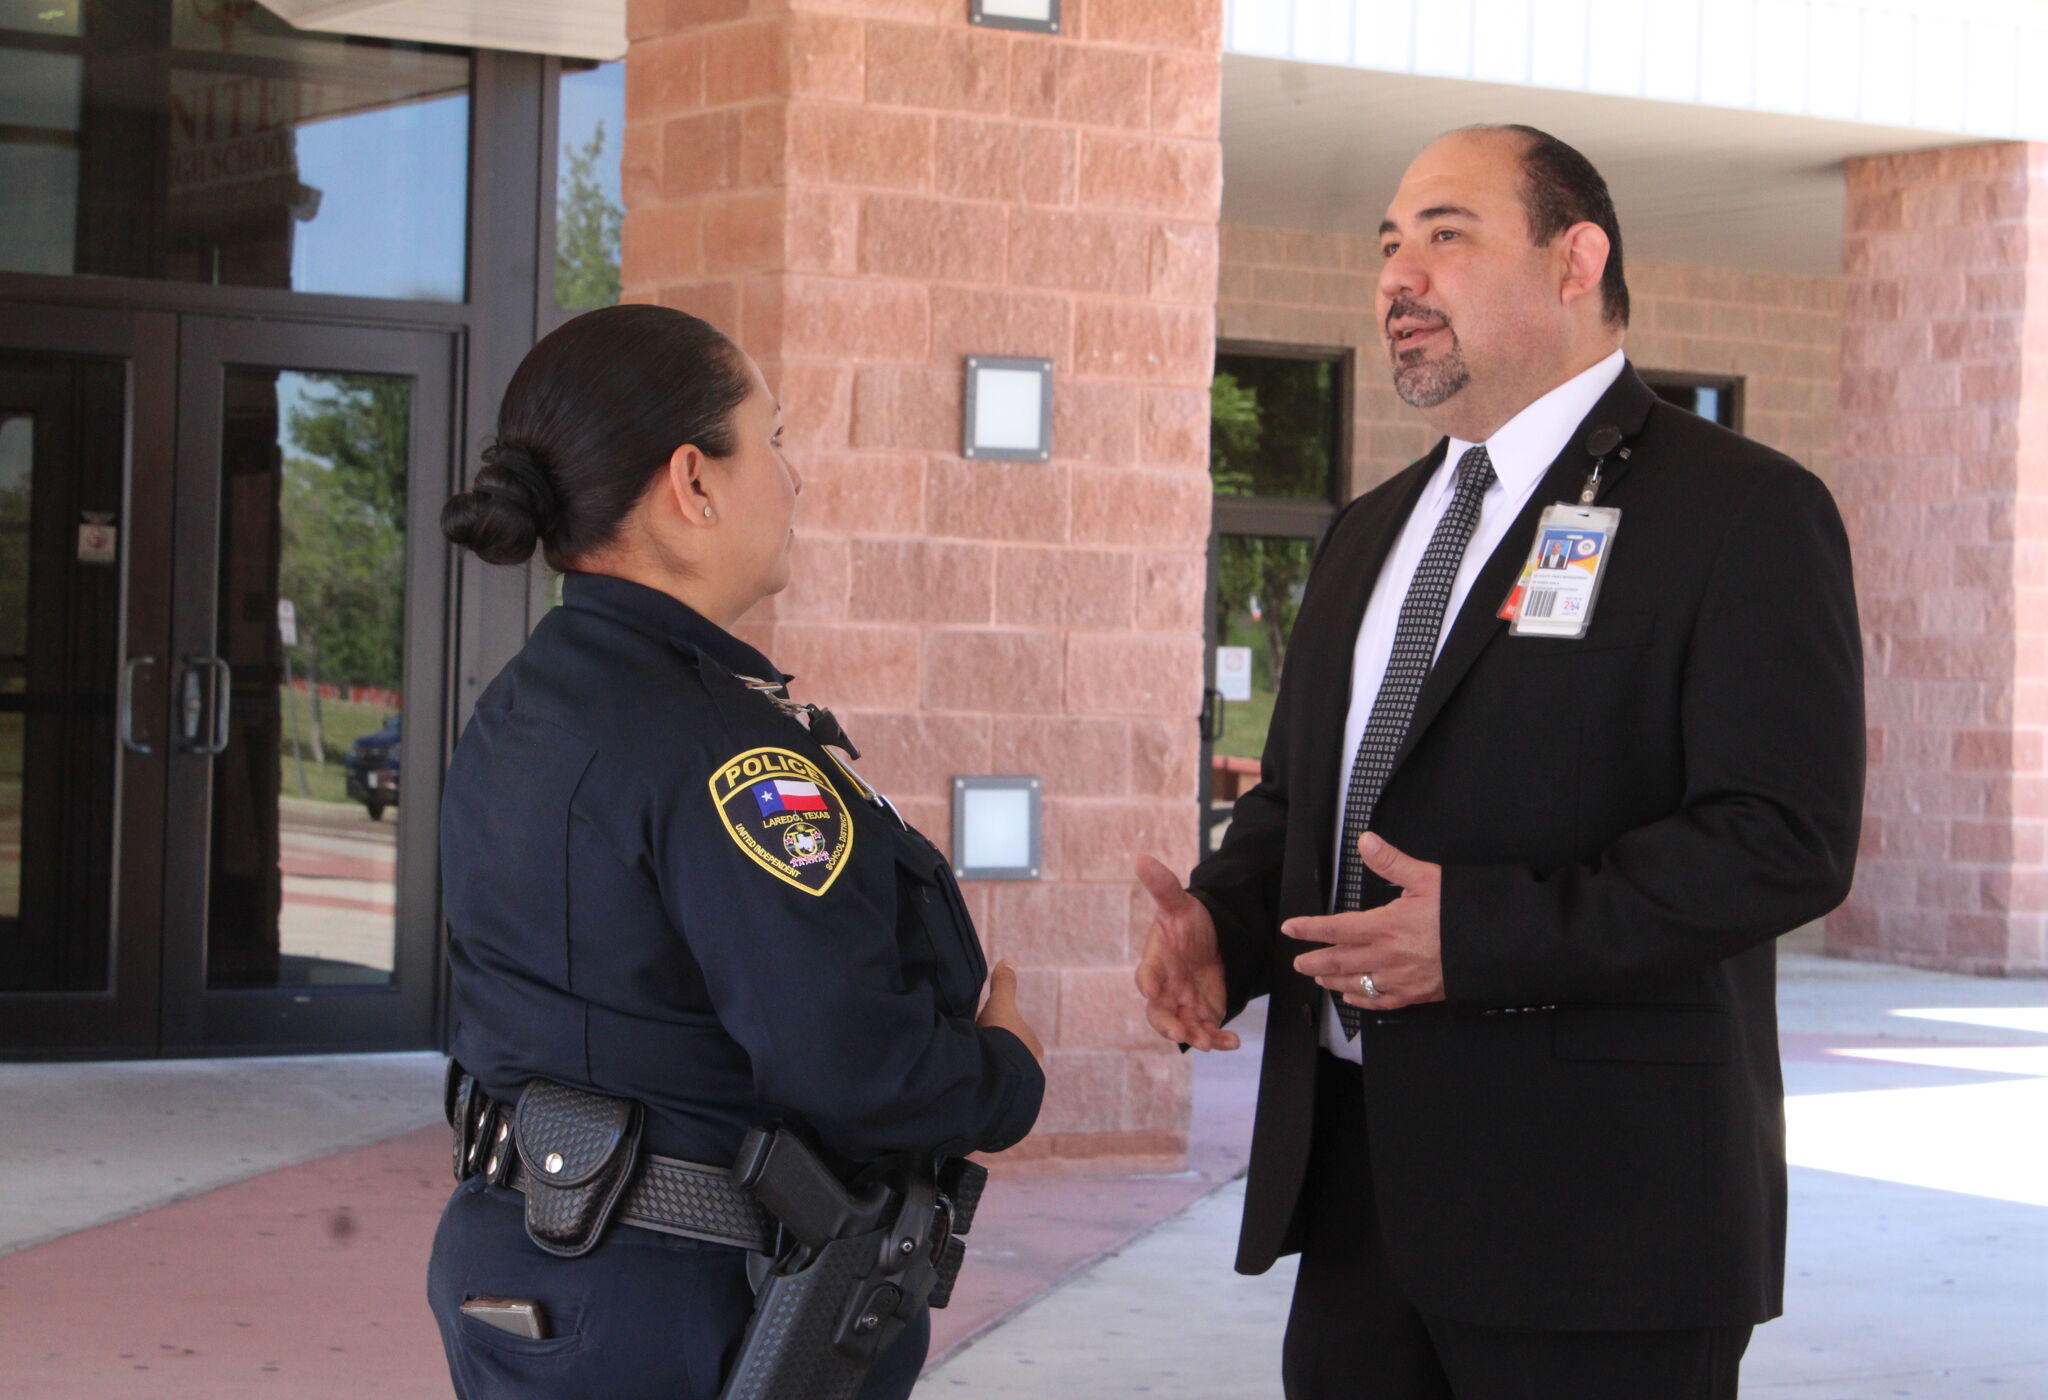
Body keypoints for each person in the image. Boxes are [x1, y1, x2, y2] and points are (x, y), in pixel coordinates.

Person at [1136, 125, 1862, 1399]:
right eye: (1386, 246)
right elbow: (1310, 801)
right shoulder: (1371, 531)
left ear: (1575, 258)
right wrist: (1228, 926)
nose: (1397, 278)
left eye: (1445, 235)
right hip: (1358, 1196)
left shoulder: (1739, 508)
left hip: (1604, 1218)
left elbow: (1780, 834)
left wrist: (1479, 933)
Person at [426, 304, 1045, 1400]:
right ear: (692, 483)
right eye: (772, 439)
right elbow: (856, 1064)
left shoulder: (518, 705)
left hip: (527, 1263)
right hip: (682, 1307)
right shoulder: (726, 752)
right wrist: (1003, 1073)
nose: (791, 478)